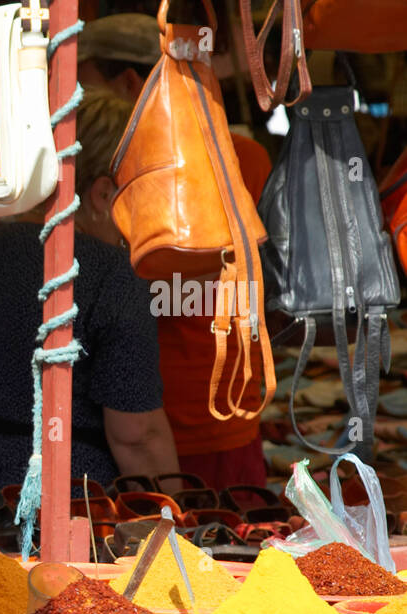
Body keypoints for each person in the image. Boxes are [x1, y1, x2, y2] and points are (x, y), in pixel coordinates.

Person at [0, 87, 179, 493]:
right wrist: (175, 515)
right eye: (143, 198)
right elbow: (136, 433)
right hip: (66, 507)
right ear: (103, 194)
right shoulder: (111, 274)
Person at [79, 12, 272, 488]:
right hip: (214, 416)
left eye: (87, 92)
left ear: (128, 83)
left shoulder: (109, 181)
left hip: (140, 424)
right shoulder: (245, 160)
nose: (82, 113)